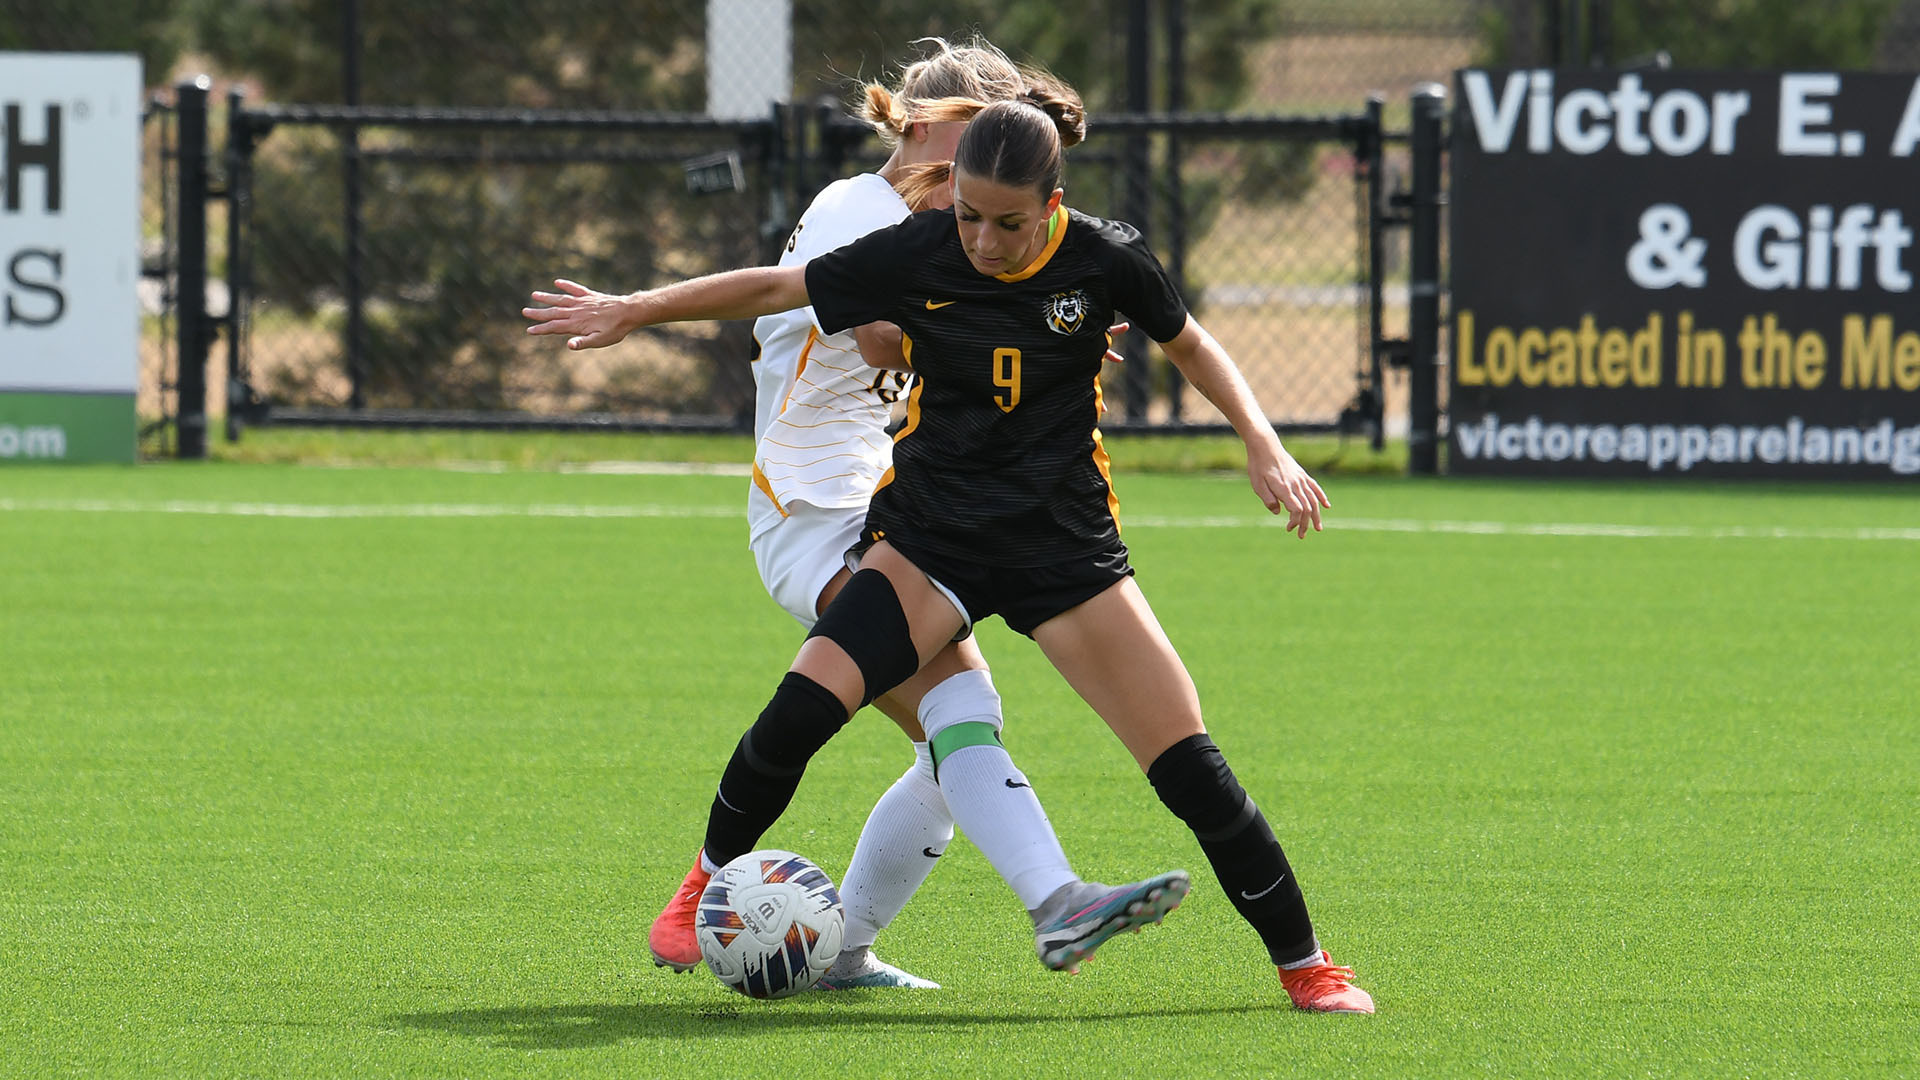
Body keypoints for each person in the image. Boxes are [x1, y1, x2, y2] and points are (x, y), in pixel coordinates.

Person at [525, 93, 1373, 1012]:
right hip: (931, 541)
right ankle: (701, 882)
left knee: (1192, 771)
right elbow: (779, 289)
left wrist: (1263, 440)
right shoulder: (918, 249)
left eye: (1009, 224)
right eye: (969, 214)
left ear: (1053, 205)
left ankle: (1309, 968)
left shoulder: (1106, 259)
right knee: (800, 709)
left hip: (1065, 551)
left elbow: (1192, 344)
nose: (984, 240)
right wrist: (635, 309)